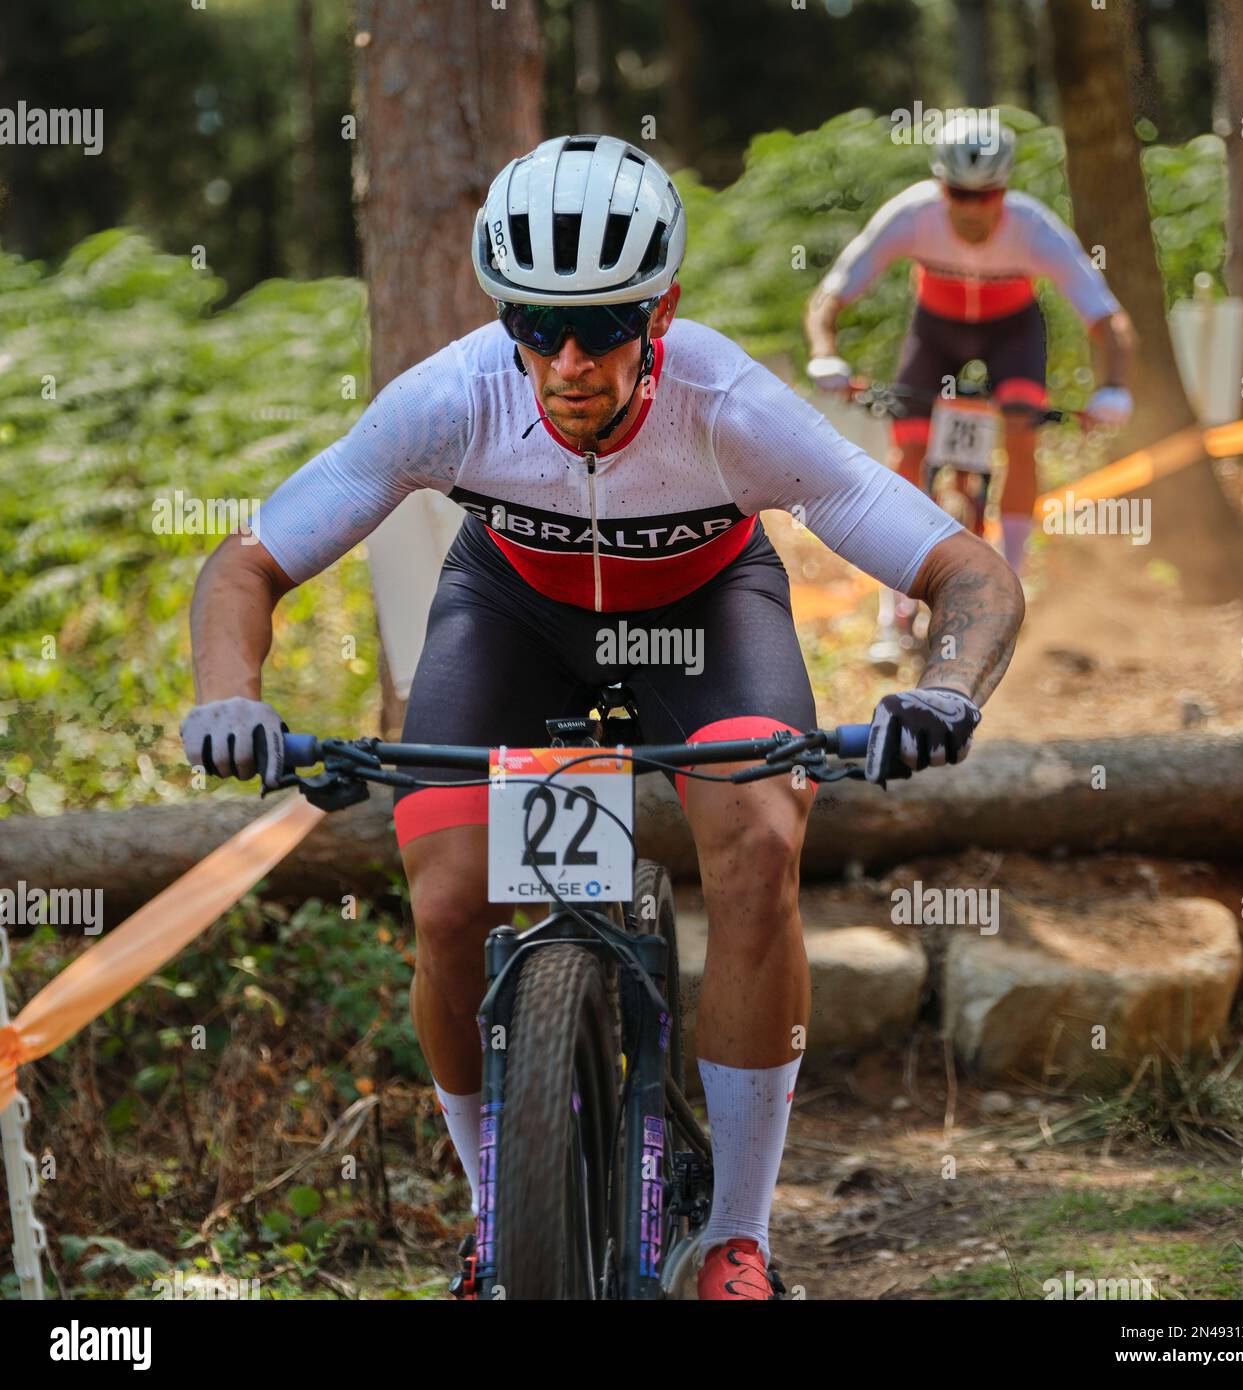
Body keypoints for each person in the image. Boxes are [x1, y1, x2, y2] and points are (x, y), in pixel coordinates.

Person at [182, 135, 1024, 1300]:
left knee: (760, 846)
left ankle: (736, 1237)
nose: (569, 359)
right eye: (535, 324)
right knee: (445, 893)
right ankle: (495, 1213)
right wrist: (229, 698)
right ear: (502, 314)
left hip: (705, 615)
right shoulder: (448, 401)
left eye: (607, 324)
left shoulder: (730, 405)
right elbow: (246, 566)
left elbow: (968, 570)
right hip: (511, 617)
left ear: (663, 308)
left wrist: (944, 693)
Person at [804, 112, 1133, 665]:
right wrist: (824, 354)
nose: (973, 208)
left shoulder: (1036, 228)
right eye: (959, 193)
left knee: (1023, 431)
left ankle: (1010, 585)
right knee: (906, 448)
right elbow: (830, 297)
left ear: (1005, 190)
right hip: (935, 332)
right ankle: (895, 613)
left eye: (988, 195)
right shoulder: (910, 214)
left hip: (1013, 333)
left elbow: (1107, 320)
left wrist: (1114, 388)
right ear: (941, 186)